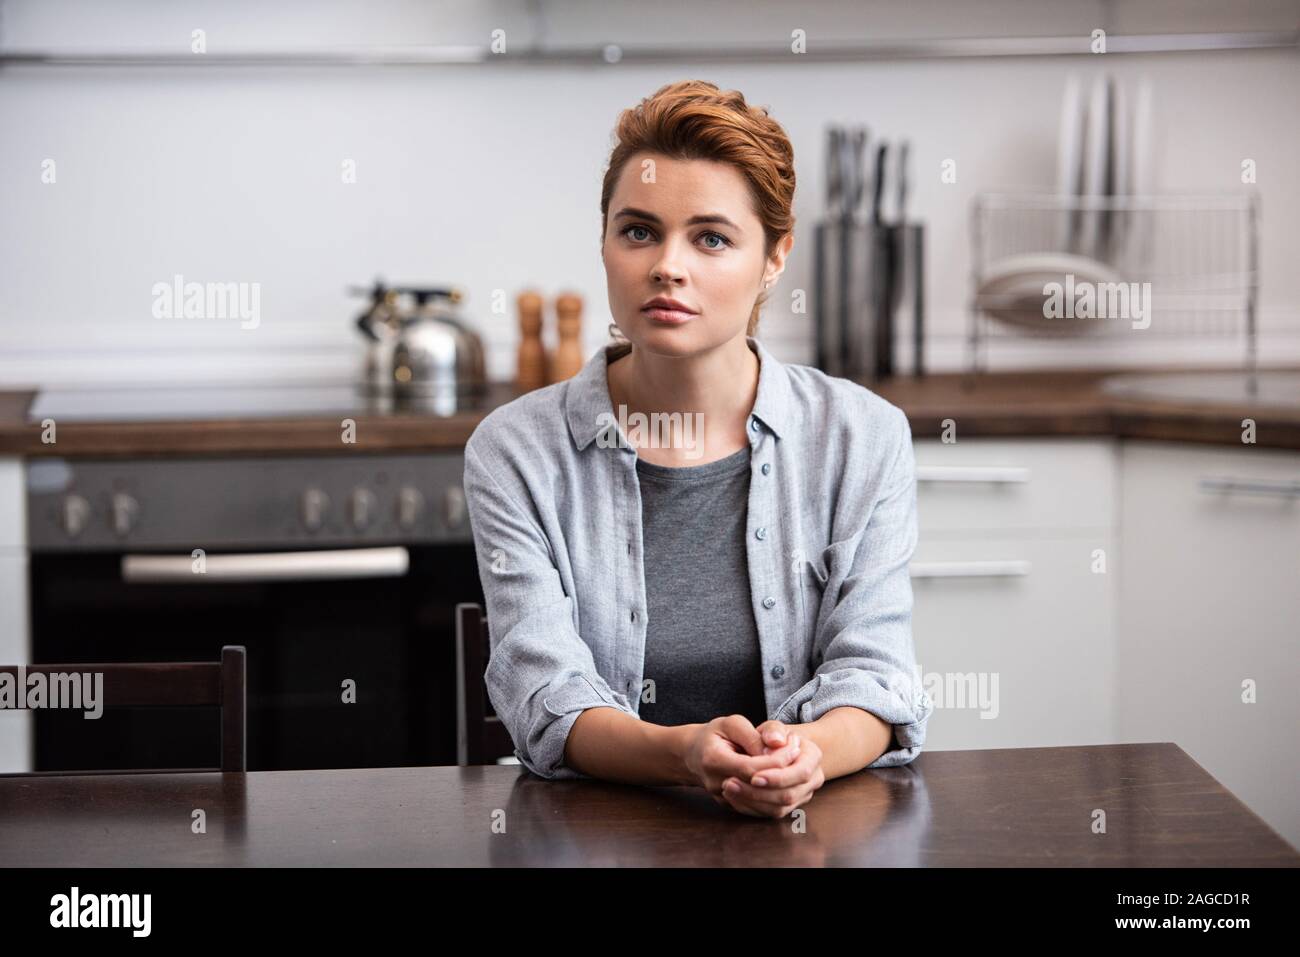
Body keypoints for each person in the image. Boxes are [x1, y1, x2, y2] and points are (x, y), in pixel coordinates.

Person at [463, 79, 931, 819]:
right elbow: (545, 695)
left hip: (812, 830)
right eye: (639, 231)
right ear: (606, 240)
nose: (666, 266)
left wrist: (804, 758)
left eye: (710, 237)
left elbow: (874, 674)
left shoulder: (862, 436)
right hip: (602, 834)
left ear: (775, 257)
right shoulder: (516, 451)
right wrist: (684, 754)